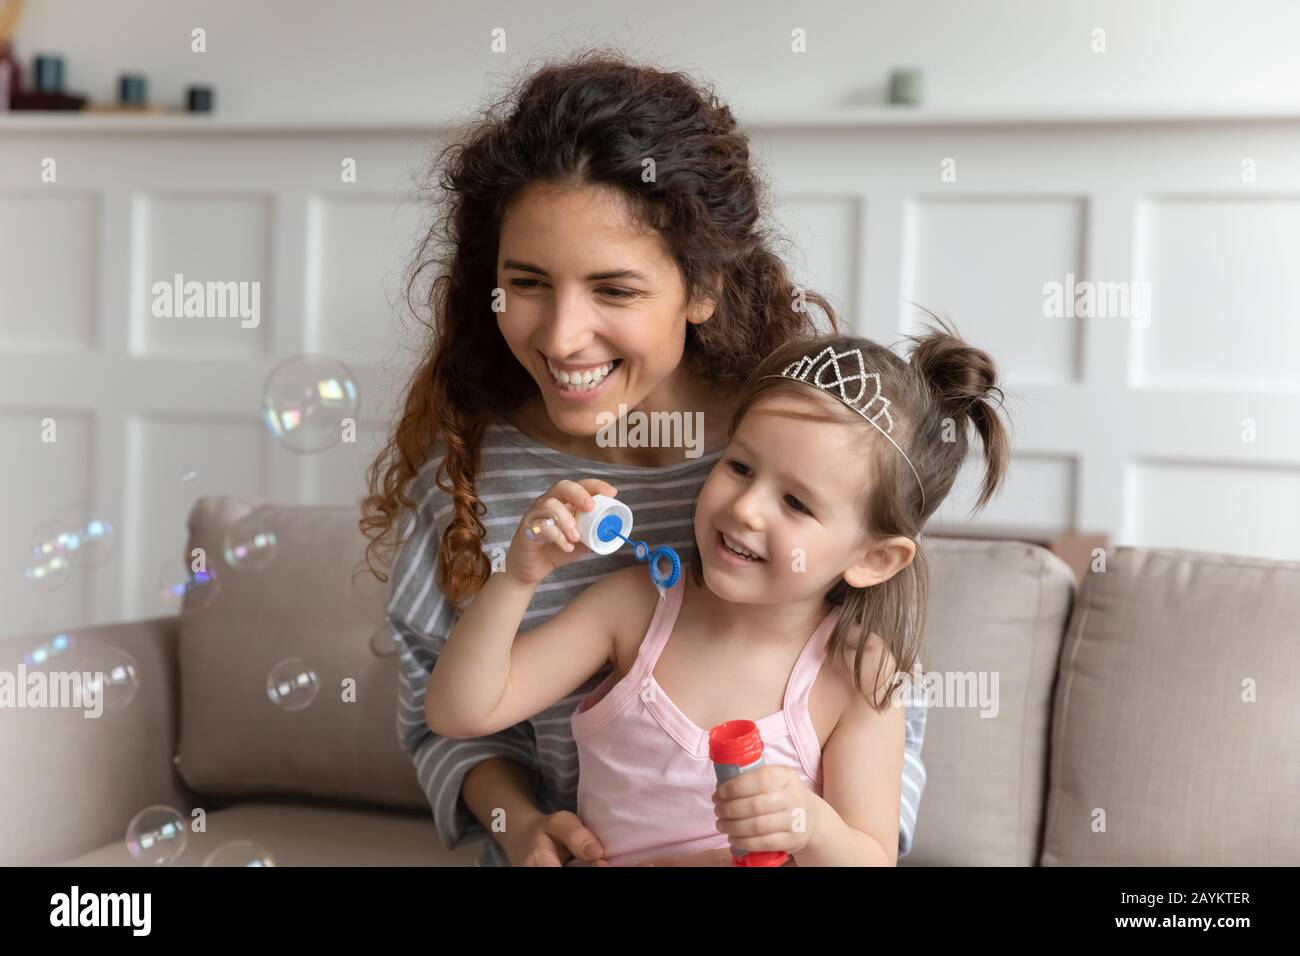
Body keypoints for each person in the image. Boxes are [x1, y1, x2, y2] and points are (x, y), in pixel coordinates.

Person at [360, 50, 937, 866]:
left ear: (702, 289)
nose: (562, 338)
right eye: (527, 282)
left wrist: (809, 828)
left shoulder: (799, 458)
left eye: (615, 290)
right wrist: (517, 823)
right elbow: (440, 715)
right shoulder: (466, 485)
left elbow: (877, 741)